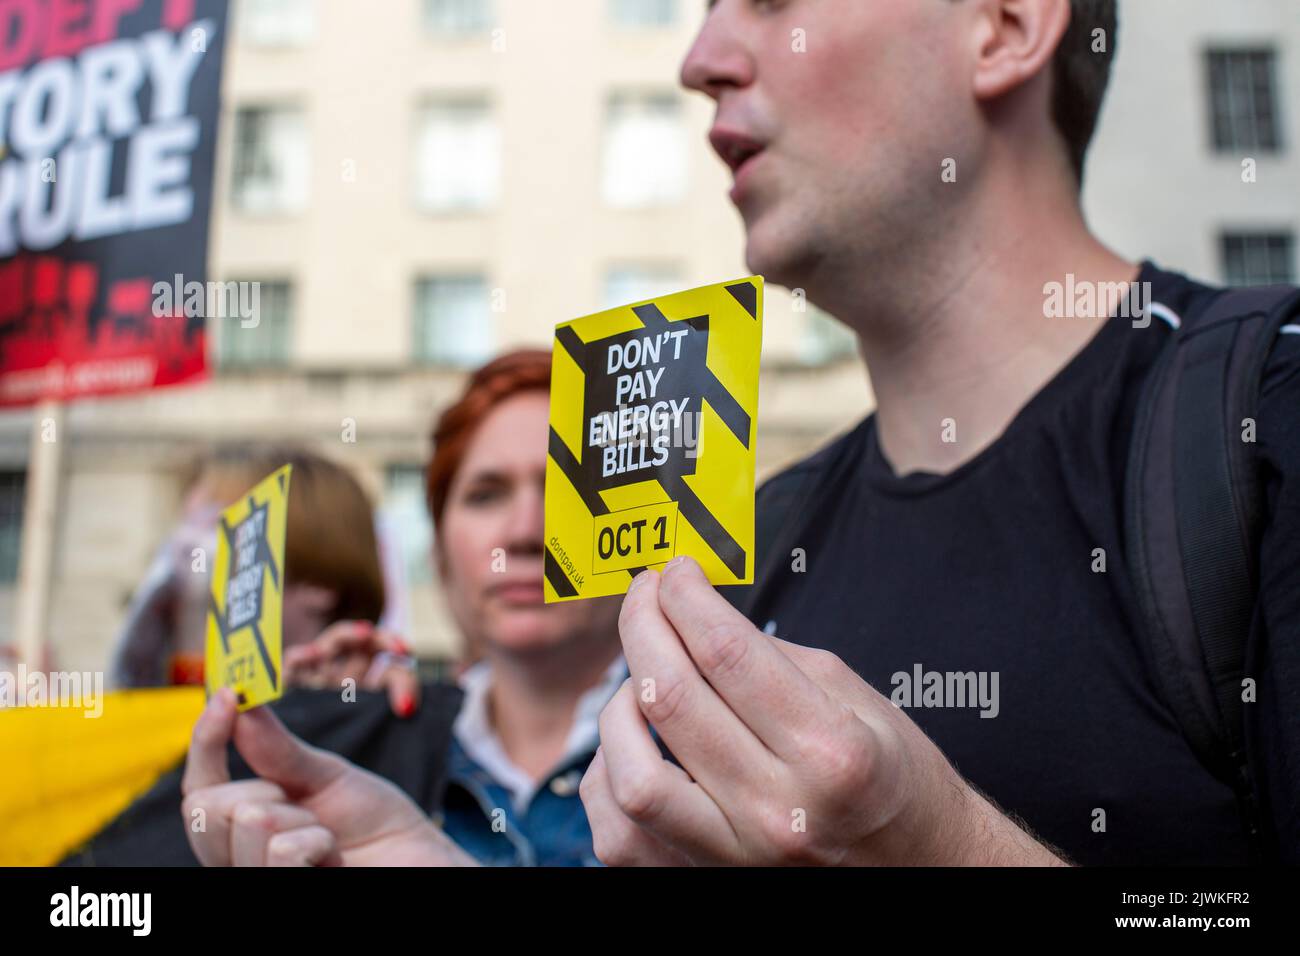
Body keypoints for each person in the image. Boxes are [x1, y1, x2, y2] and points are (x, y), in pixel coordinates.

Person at [577, 0, 1300, 866]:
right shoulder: (758, 541)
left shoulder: (1267, 410)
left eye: (770, 2)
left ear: (1004, 27)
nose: (699, 62)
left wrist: (941, 848)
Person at [181, 351, 626, 866]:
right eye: (486, 495)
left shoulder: (716, 746)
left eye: (566, 489)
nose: (526, 532)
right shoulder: (360, 747)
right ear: (438, 554)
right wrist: (325, 724)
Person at [110, 445, 419, 716]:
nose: (188, 548)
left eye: (220, 526)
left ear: (318, 581)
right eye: (188, 525)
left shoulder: (371, 722)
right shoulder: (144, 722)